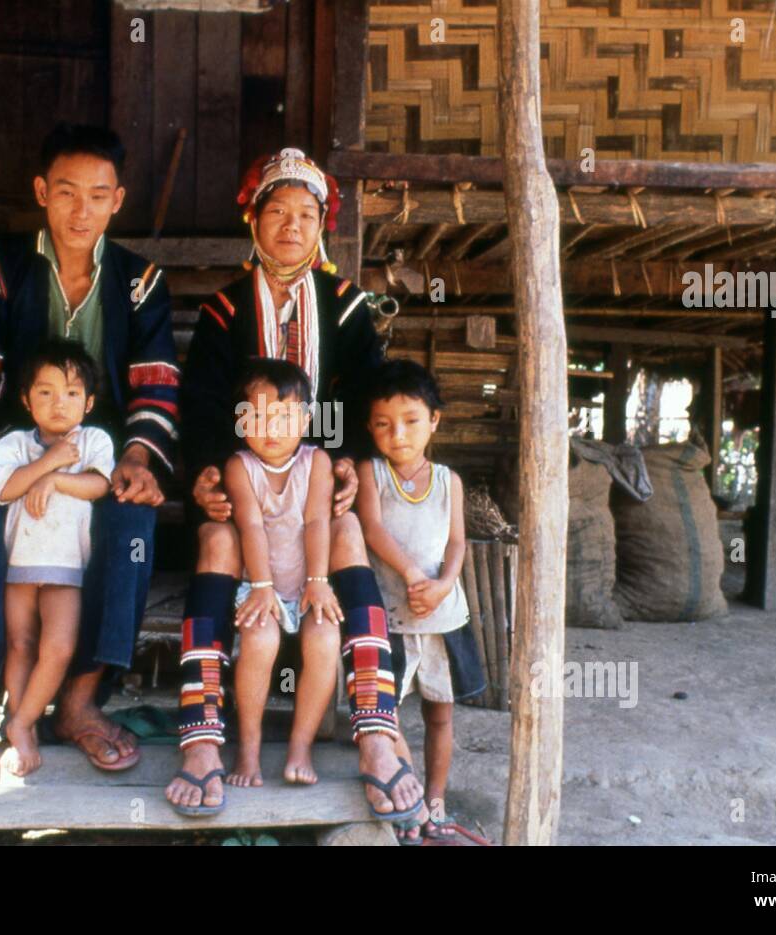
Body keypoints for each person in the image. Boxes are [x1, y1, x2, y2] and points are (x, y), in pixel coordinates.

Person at [165, 148, 424, 824]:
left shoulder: (345, 307)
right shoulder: (225, 310)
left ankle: (374, 730)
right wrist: (207, 473)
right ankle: (201, 740)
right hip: (243, 485)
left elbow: (366, 391)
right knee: (219, 541)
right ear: (253, 220)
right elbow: (200, 404)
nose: (290, 225)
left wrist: (345, 460)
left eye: (305, 214)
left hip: (314, 486)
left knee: (346, 531)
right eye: (276, 211)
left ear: (322, 228)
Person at [0, 124, 179, 776]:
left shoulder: (140, 281)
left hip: (101, 455)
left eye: (97, 195)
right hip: (13, 449)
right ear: (42, 192)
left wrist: (138, 461)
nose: (81, 210)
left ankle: (81, 702)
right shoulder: (1, 268)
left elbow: (156, 379)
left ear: (118, 200)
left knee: (131, 524)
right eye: (66, 192)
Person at [356, 359, 486, 841]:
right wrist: (412, 573)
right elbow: (371, 529)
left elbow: (457, 542)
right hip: (390, 614)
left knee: (440, 711)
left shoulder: (449, 480)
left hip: (442, 614)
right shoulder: (372, 474)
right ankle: (403, 799)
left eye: (412, 421)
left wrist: (446, 582)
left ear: (435, 421)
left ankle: (435, 801)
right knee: (384, 712)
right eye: (384, 424)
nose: (399, 435)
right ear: (370, 427)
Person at [0, 340, 115, 776]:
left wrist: (58, 478)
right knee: (20, 644)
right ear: (25, 400)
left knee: (58, 646)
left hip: (65, 567)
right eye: (45, 392)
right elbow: (5, 489)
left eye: (72, 393)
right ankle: (20, 725)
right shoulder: (13, 445)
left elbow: (99, 486)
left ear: (90, 401)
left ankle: (23, 721)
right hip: (19, 564)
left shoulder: (95, 440)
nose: (59, 403)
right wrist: (51, 462)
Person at [219, 360, 341, 791]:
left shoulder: (318, 462)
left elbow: (317, 523)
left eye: (285, 416)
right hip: (259, 585)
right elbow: (251, 525)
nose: (272, 428)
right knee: (260, 639)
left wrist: (319, 580)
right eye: (258, 415)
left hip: (310, 585)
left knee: (326, 639)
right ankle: (248, 748)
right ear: (241, 420)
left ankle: (300, 747)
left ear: (307, 419)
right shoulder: (240, 466)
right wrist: (263, 586)